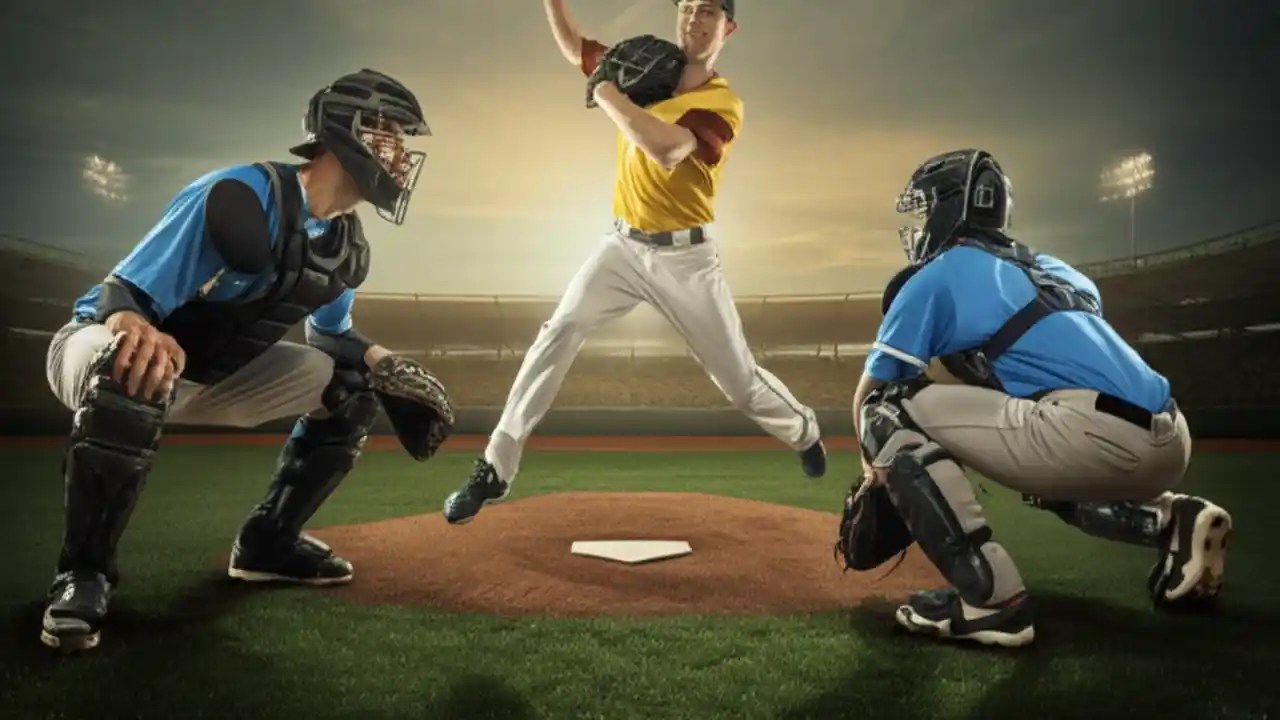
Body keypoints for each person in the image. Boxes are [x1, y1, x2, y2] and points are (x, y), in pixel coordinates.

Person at [39, 69, 436, 652]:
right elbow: (120, 294)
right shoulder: (244, 195)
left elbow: (330, 338)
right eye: (389, 135)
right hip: (96, 349)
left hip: (209, 377)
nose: (398, 156)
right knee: (132, 358)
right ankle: (83, 574)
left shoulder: (346, 248)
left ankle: (268, 542)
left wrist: (383, 361)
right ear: (345, 130)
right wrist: (134, 329)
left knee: (351, 382)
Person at [441, 0, 826, 525]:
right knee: (559, 329)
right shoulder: (651, 67)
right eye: (688, 7)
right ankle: (495, 467)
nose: (695, 19)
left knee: (737, 380)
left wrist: (606, 93)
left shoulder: (723, 101)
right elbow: (579, 50)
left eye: (708, 11)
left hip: (687, 260)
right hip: (621, 247)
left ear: (728, 27)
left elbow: (666, 149)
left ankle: (803, 431)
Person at [849, 148, 1232, 648]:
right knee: (1045, 452)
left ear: (949, 207)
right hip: (1169, 435)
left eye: (924, 208)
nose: (920, 224)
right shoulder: (1059, 271)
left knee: (887, 410)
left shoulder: (939, 273)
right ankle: (1171, 518)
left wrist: (875, 472)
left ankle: (990, 600)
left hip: (1088, 433)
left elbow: (872, 392)